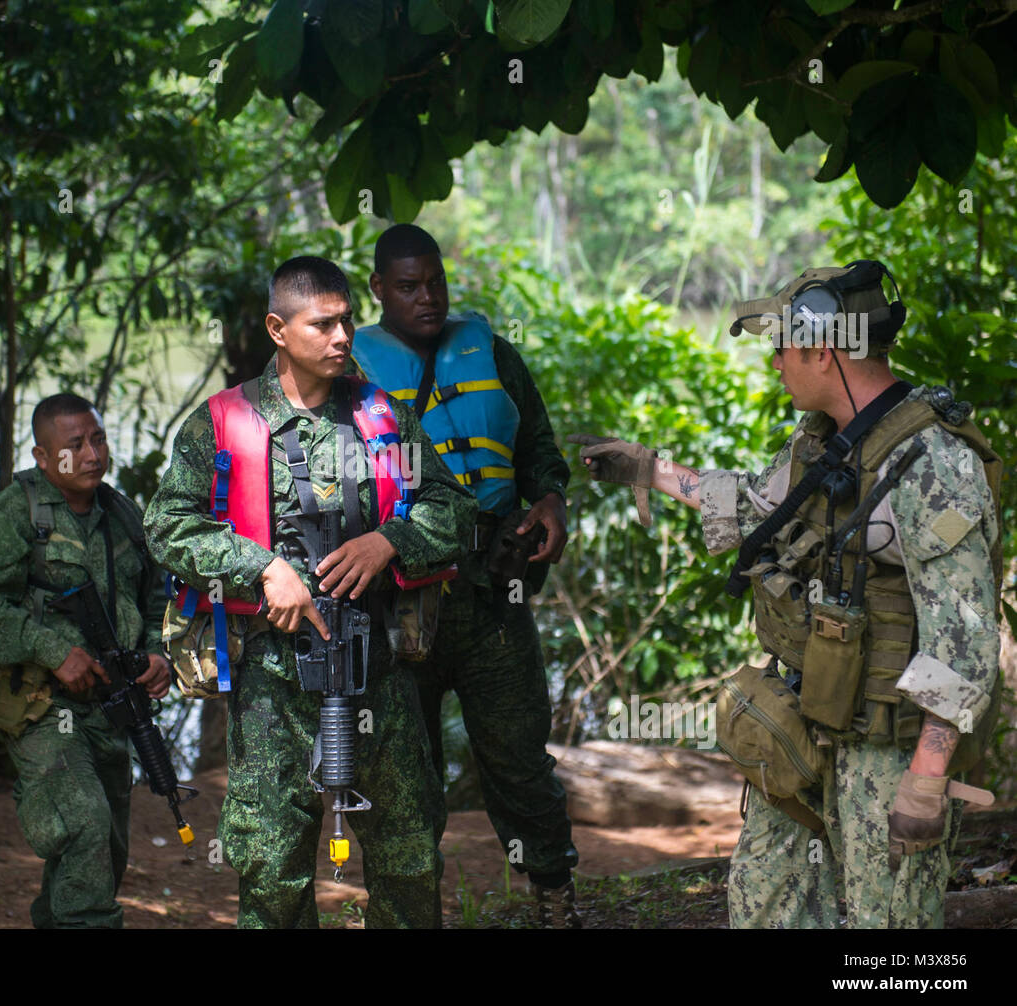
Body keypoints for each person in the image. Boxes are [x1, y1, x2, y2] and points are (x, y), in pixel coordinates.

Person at [575, 261, 1001, 928]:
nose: (774, 362)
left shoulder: (935, 464)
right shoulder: (821, 443)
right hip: (811, 718)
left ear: (822, 351)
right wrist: (647, 468)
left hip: (890, 747)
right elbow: (754, 504)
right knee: (764, 896)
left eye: (782, 347)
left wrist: (925, 780)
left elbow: (964, 630)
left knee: (885, 925)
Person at [145, 256, 475, 928]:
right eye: (322, 323)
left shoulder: (381, 415)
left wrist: (390, 544)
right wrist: (260, 567)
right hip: (273, 674)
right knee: (271, 864)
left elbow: (453, 507)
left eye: (346, 320)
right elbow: (168, 523)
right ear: (277, 328)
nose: (342, 335)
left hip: (375, 664)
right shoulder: (223, 422)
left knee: (411, 854)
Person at [349, 224, 581, 926]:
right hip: (397, 605)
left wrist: (550, 500)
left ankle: (553, 895)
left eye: (436, 281)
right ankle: (408, 912)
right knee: (401, 778)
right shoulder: (349, 370)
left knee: (517, 760)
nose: (428, 297)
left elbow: (539, 447)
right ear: (379, 289)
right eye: (409, 286)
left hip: (492, 594)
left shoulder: (493, 353)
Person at [0, 393, 171, 929]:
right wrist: (52, 651)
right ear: (41, 455)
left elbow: (157, 596)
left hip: (112, 706)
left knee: (108, 849)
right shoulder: (11, 516)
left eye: (97, 439)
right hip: (38, 705)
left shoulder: (121, 514)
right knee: (83, 821)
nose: (91, 454)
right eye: (73, 445)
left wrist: (156, 651)